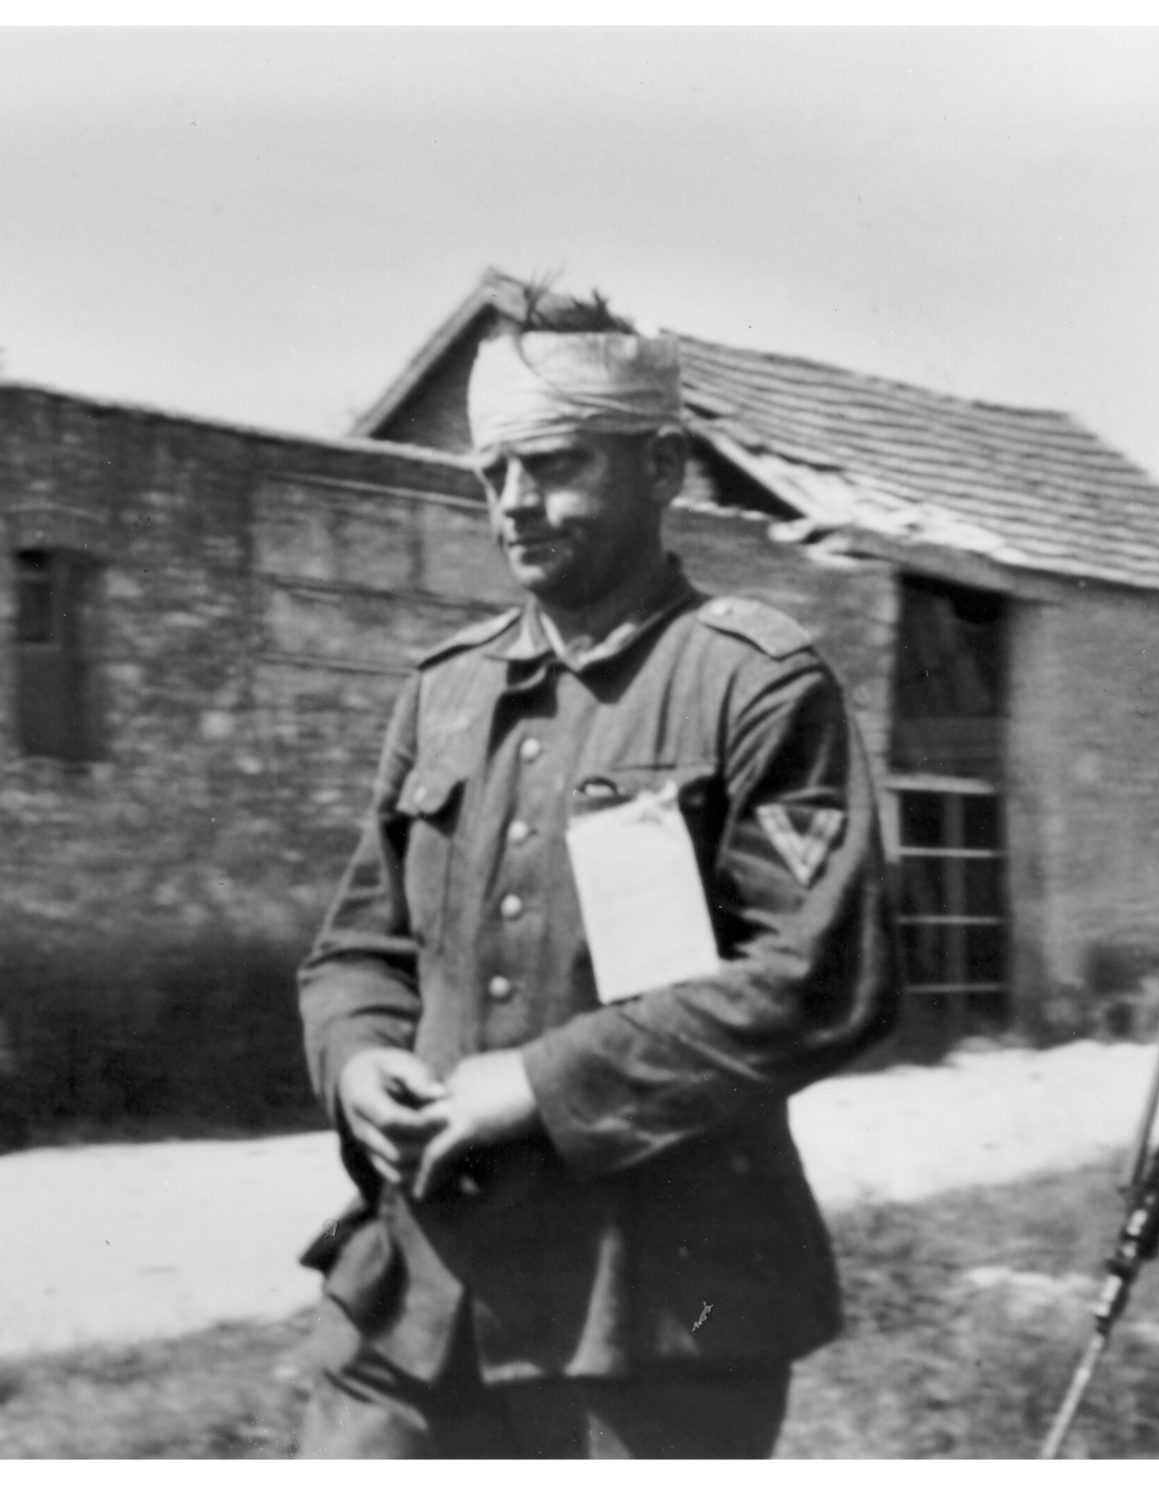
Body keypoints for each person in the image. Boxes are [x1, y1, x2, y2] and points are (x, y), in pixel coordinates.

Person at [293, 287, 897, 1459]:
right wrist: (359, 1061)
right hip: (418, 1298)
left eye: (554, 463)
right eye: (492, 472)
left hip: (652, 1317)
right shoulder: (443, 694)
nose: (513, 502)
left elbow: (819, 978)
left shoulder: (751, 684)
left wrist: (536, 1084)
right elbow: (357, 951)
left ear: (660, 464)